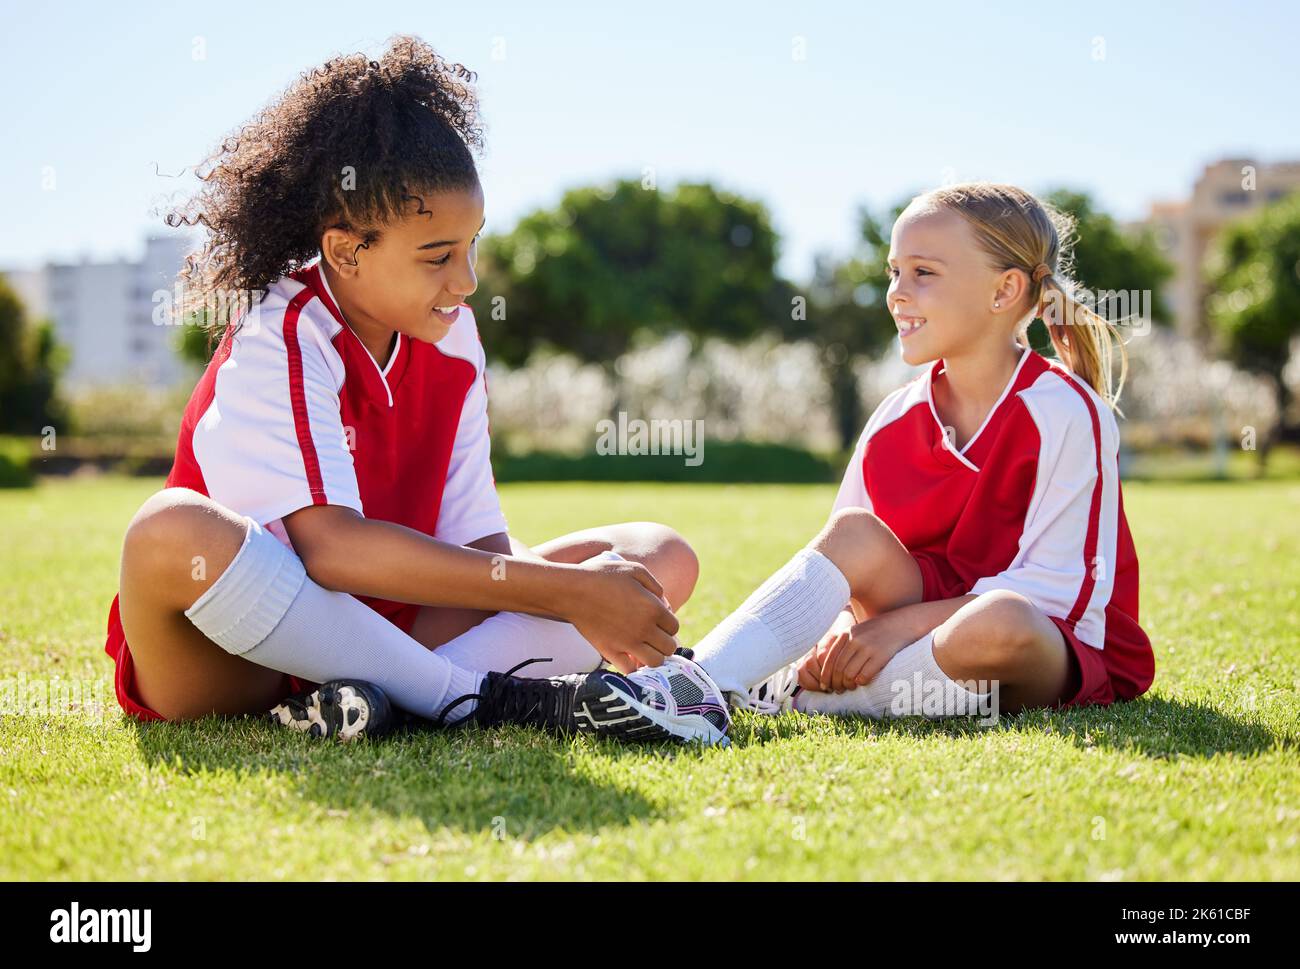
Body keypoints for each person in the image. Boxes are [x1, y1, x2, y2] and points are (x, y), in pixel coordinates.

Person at [102, 36, 730, 745]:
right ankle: (467, 697)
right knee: (167, 530)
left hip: (386, 627)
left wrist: (590, 590)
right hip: (227, 659)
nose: (464, 282)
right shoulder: (285, 333)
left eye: (472, 247)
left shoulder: (454, 336)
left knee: (656, 554)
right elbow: (332, 553)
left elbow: (480, 541)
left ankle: (382, 700)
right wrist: (566, 595)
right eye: (437, 256)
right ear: (345, 250)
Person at [688, 182, 1154, 722]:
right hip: (917, 629)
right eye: (894, 272)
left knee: (1002, 622)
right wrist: (841, 631)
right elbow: (844, 574)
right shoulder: (893, 418)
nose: (896, 293)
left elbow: (1058, 593)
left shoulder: (1067, 410)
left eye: (923, 273)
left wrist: (897, 628)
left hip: (1042, 644)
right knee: (853, 531)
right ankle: (694, 681)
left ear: (1004, 292)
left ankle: (808, 698)